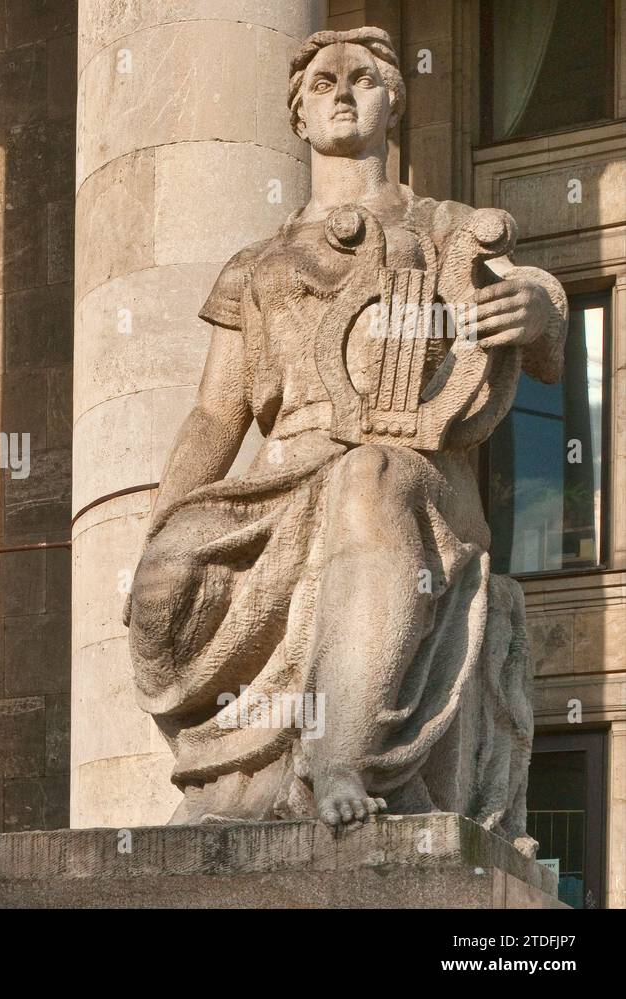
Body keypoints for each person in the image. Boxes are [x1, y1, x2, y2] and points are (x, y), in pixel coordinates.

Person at [125, 28, 567, 845]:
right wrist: (166, 518)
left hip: (415, 475)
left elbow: (531, 312)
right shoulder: (256, 262)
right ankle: (229, 776)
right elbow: (217, 412)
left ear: (392, 100)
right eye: (321, 82)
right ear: (297, 115)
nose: (340, 92)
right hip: (281, 476)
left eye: (361, 79)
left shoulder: (445, 225)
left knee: (368, 479)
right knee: (167, 574)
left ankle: (339, 759)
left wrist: (540, 312)